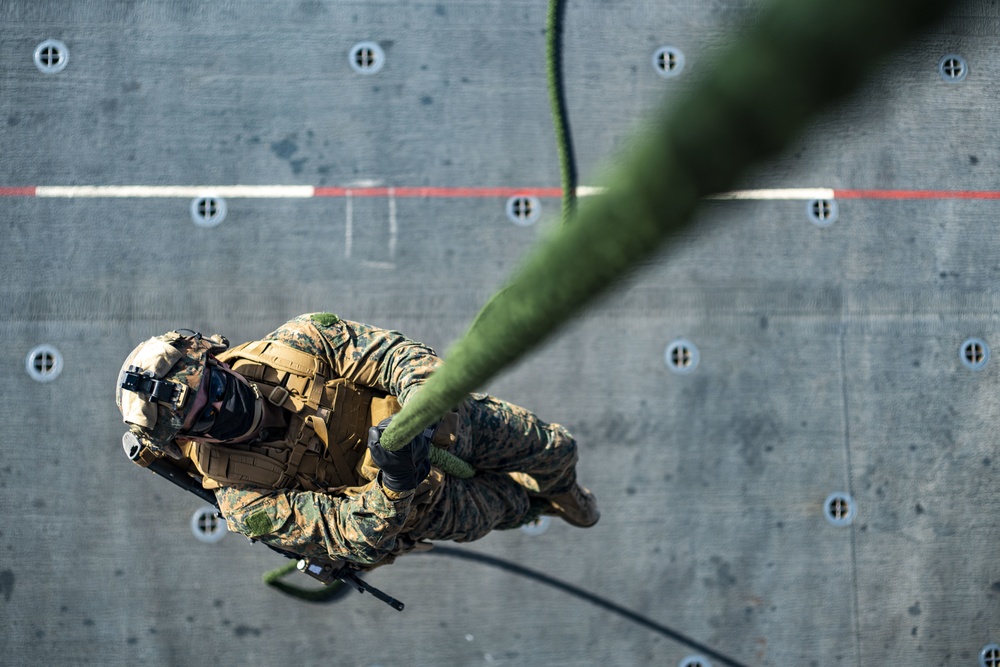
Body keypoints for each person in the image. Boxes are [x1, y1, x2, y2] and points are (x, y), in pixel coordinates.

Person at [116, 312, 598, 570]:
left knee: (556, 448)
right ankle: (543, 505)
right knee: (511, 506)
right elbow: (352, 536)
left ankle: (567, 493)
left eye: (213, 390)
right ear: (186, 436)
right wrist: (395, 480)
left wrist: (419, 408)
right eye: (202, 416)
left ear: (217, 362)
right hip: (429, 504)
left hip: (456, 422)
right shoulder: (244, 500)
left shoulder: (300, 342)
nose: (219, 407)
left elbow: (396, 356)